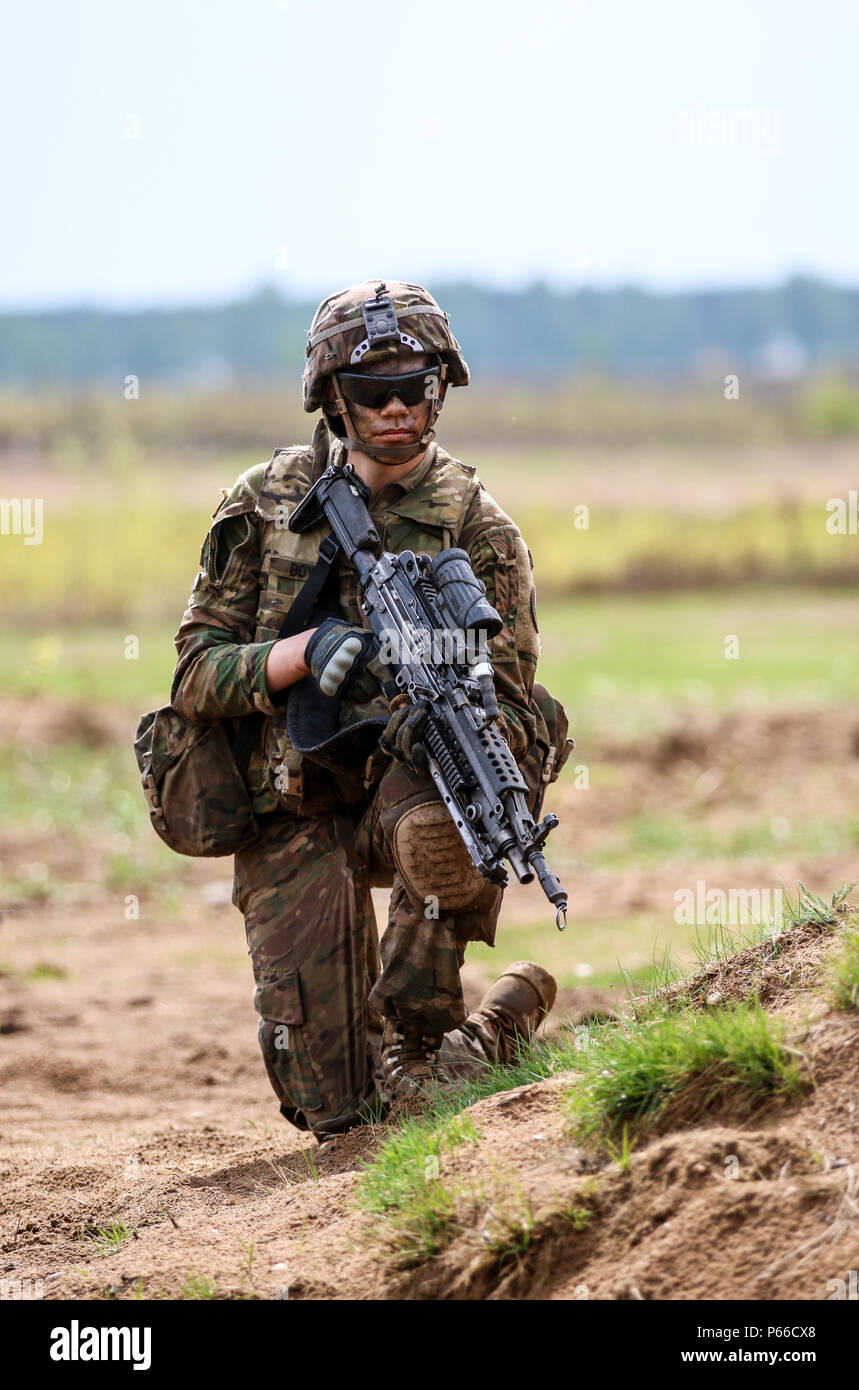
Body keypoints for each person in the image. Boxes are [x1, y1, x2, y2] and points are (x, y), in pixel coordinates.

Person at [170, 279, 572, 1141]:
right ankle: (494, 1028)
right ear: (331, 399)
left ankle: (425, 1039)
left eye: (414, 388)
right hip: (294, 802)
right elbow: (195, 674)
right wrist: (299, 657)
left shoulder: (479, 527)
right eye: (370, 392)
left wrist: (431, 715)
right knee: (342, 1116)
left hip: (409, 791)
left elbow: (511, 698)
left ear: (441, 388)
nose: (395, 409)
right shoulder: (269, 502)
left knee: (456, 815)